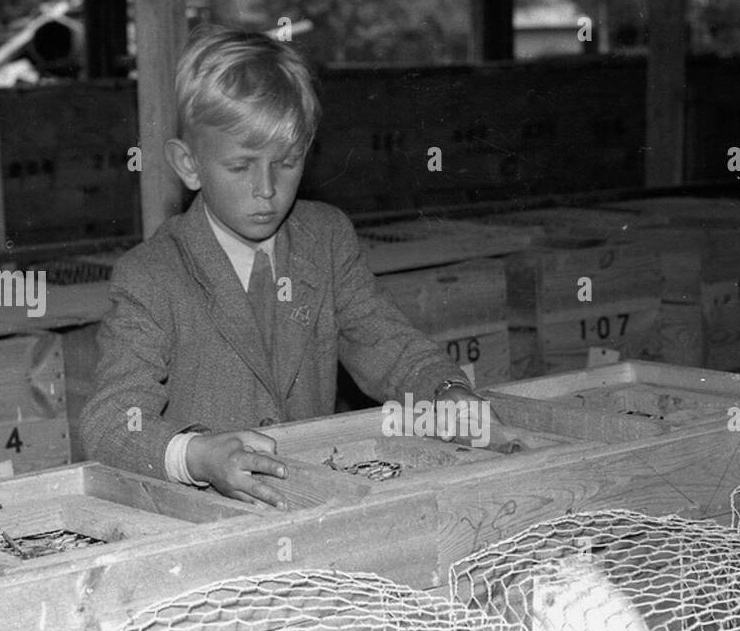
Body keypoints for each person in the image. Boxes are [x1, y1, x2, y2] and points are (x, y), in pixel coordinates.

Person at [79, 25, 488, 508]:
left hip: (315, 501)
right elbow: (110, 421)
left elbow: (386, 342)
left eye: (287, 162)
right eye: (240, 167)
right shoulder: (151, 276)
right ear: (189, 165)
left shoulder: (326, 239)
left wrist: (445, 391)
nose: (267, 189)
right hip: (206, 521)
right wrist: (194, 455)